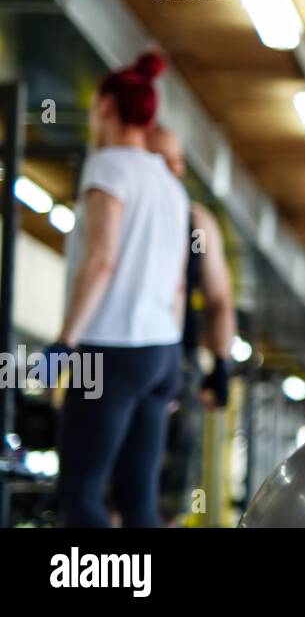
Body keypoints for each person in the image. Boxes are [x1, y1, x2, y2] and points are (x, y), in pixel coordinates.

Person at [49, 52, 189, 528]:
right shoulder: (171, 187)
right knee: (137, 498)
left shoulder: (107, 167)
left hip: (109, 351)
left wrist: (64, 343)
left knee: (80, 494)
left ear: (106, 106)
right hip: (160, 354)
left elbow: (102, 260)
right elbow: (177, 282)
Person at [147, 124, 235, 524]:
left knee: (172, 491)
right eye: (165, 162)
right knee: (112, 489)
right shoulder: (118, 210)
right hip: (117, 364)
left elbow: (219, 300)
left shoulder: (195, 221)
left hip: (177, 366)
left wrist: (221, 365)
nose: (177, 171)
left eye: (179, 161)